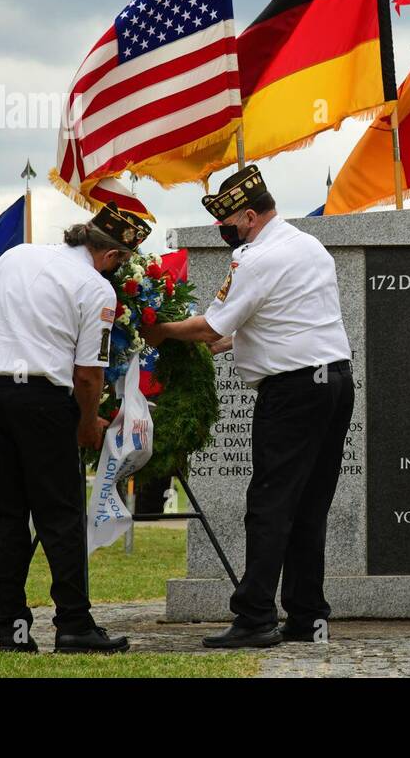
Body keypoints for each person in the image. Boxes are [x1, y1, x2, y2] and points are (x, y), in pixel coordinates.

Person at [142, 163, 353, 649]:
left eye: (229, 222)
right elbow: (285, 320)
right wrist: (224, 344)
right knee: (309, 504)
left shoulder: (255, 258)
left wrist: (161, 332)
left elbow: (210, 327)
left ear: (250, 217)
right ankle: (306, 616)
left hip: (293, 392)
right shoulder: (307, 244)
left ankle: (255, 616)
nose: (226, 232)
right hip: (335, 383)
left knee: (269, 504)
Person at [0, 202, 150, 653]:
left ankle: (10, 626)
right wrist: (87, 423)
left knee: (5, 518)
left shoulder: (16, 256)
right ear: (112, 257)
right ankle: (73, 623)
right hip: (44, 401)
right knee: (61, 515)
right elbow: (88, 374)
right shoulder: (95, 288)